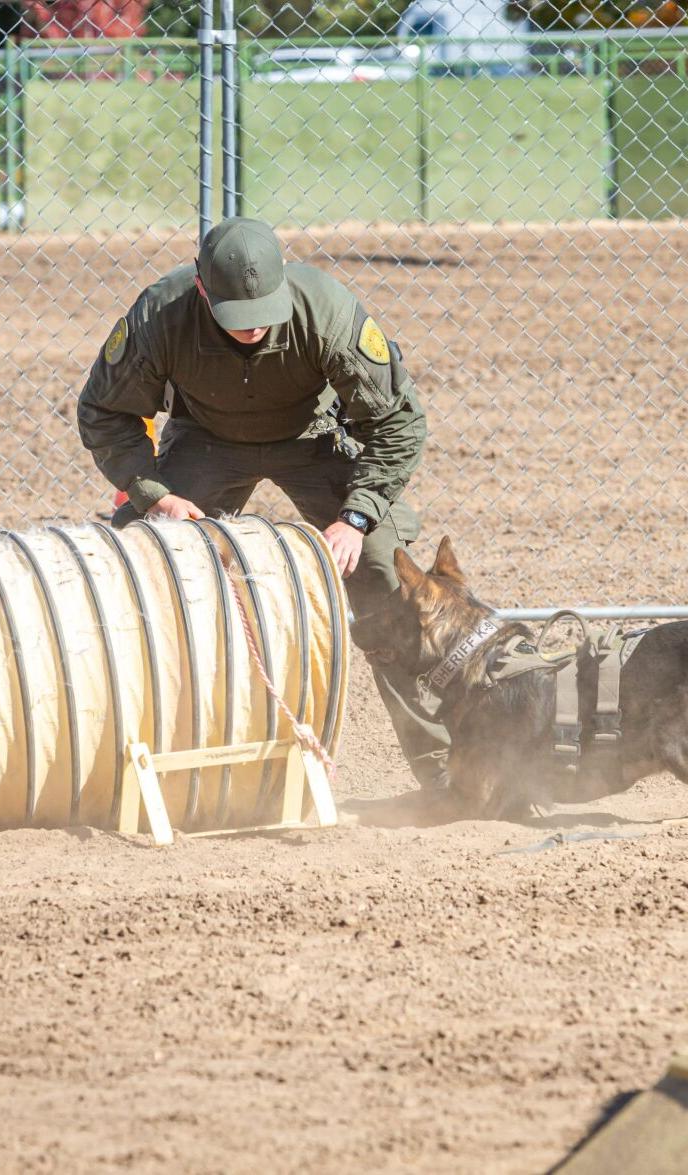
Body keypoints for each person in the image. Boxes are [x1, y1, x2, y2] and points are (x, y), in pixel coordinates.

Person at [76, 216, 449, 790]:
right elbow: (103, 412)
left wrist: (357, 514)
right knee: (138, 567)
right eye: (235, 319)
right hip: (205, 439)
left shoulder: (324, 308)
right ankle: (120, 764)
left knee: (383, 574)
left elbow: (399, 420)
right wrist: (155, 497)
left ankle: (441, 765)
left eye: (261, 318)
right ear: (202, 287)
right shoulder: (159, 315)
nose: (251, 331)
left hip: (313, 438)